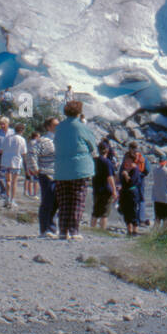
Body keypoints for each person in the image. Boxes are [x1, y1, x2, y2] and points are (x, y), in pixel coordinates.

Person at [52, 100, 97, 240]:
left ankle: (63, 231)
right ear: (79, 112)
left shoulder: (59, 127)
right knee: (78, 199)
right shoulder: (81, 127)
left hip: (61, 169)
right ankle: (74, 230)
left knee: (64, 200)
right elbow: (92, 146)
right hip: (80, 168)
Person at [32, 117, 59, 237]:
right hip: (46, 173)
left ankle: (52, 227)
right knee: (47, 201)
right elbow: (32, 153)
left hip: (59, 175)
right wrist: (35, 168)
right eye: (55, 125)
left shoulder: (60, 140)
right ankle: (44, 229)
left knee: (56, 202)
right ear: (48, 126)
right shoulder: (43, 140)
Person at [0, 122, 28, 209]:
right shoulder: (22, 139)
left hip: (6, 161)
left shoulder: (7, 138)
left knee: (7, 181)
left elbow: (2, 149)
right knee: (14, 182)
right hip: (16, 162)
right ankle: (12, 200)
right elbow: (24, 152)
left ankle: (7, 198)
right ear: (22, 130)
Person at [91, 140, 115, 230]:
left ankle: (92, 229)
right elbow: (110, 177)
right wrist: (114, 191)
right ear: (107, 150)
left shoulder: (94, 161)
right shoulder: (107, 162)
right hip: (106, 189)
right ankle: (102, 230)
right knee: (104, 213)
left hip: (96, 189)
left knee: (95, 211)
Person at [118, 152, 142, 235]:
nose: (126, 161)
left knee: (134, 211)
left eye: (128, 159)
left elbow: (131, 182)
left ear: (132, 160)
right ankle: (129, 230)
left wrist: (126, 175)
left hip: (132, 192)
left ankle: (135, 230)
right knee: (126, 210)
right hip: (124, 192)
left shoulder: (135, 169)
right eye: (126, 159)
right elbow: (120, 180)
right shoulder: (123, 167)